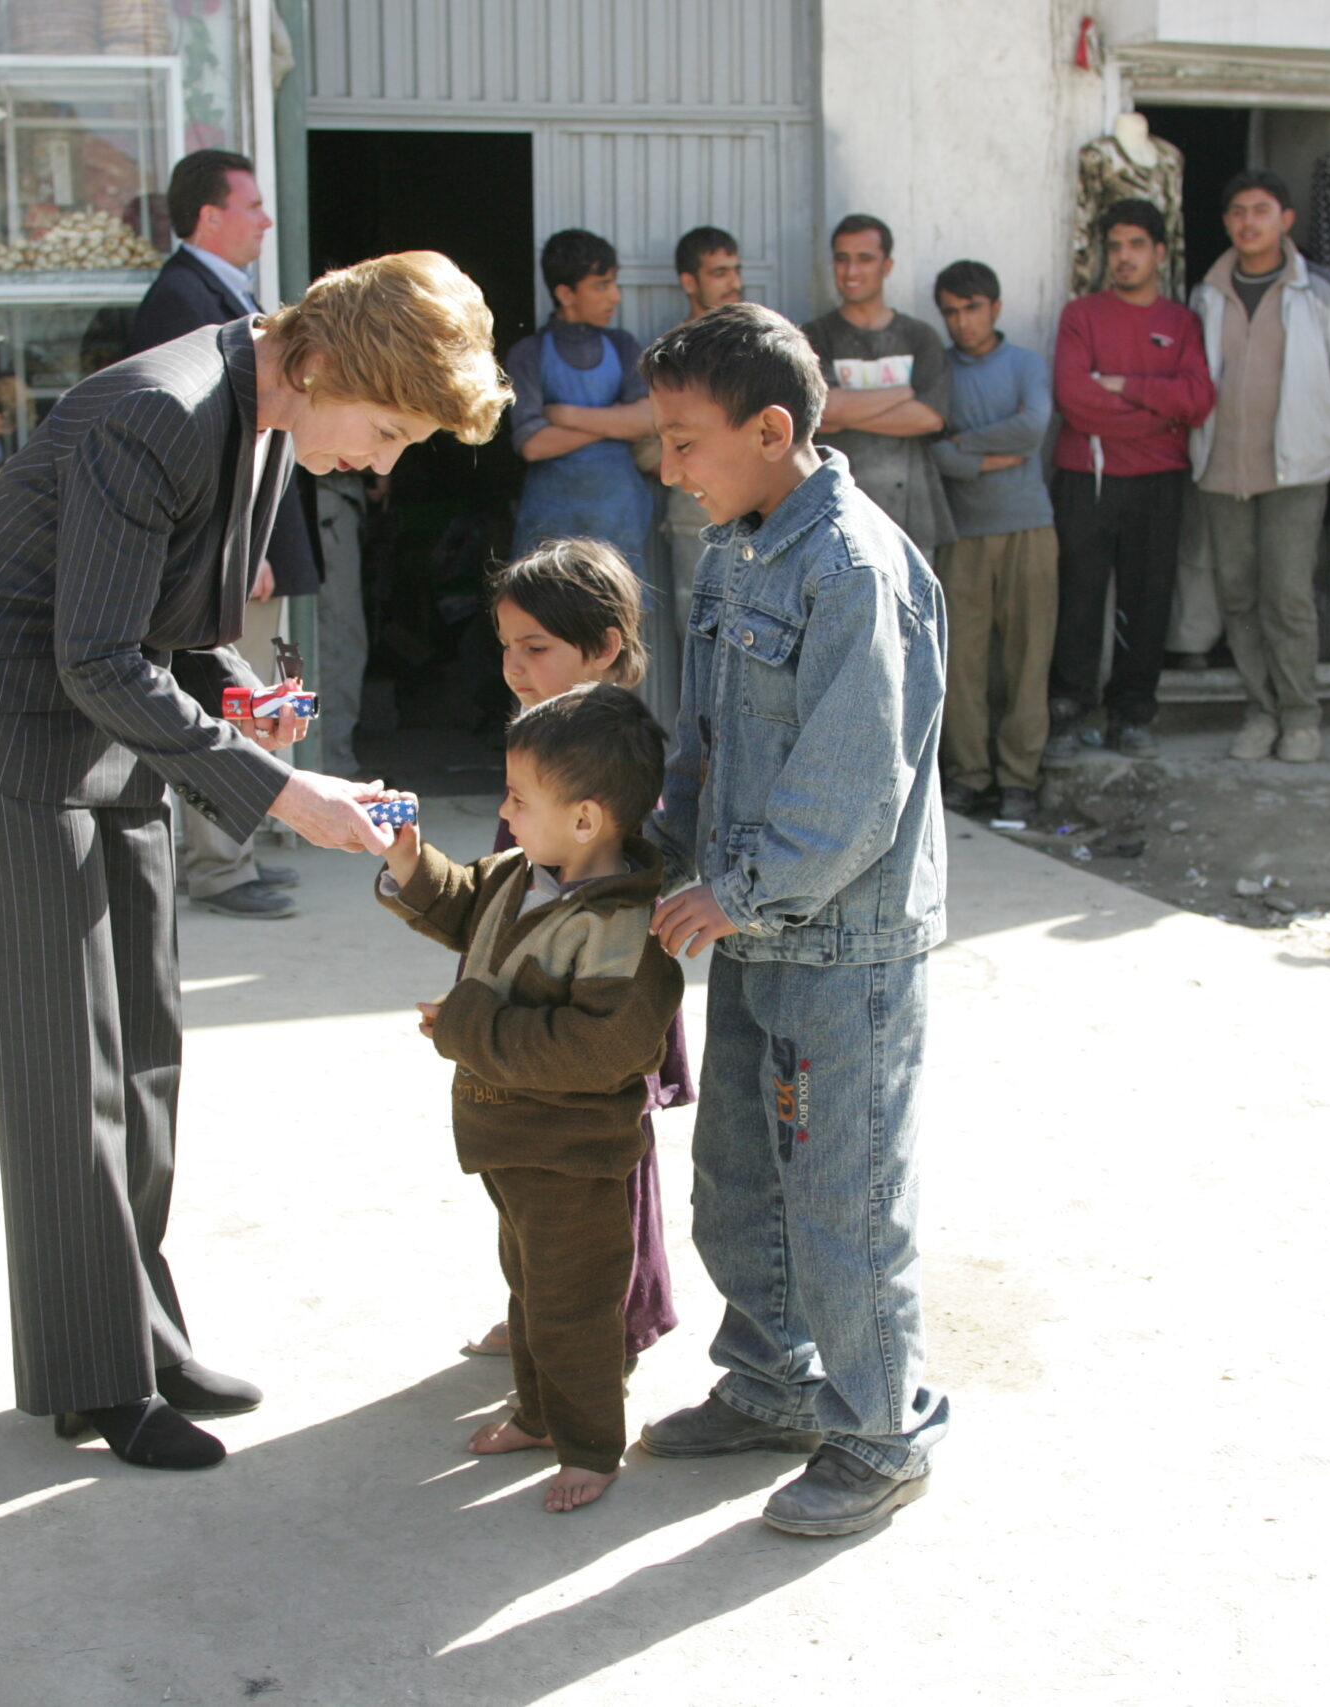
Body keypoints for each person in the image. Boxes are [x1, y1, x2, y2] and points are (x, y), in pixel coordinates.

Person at [0, 251, 509, 1470]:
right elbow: (98, 654)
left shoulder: (268, 409)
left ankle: (143, 1337)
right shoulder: (157, 413)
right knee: (65, 1073)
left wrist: (237, 695)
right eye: (385, 433)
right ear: (323, 362)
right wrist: (279, 793)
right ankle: (95, 1381)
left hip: (103, 731)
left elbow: (161, 624)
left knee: (144, 1052)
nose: (380, 464)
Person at [639, 303, 951, 1539]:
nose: (669, 465)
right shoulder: (735, 551)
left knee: (842, 1197)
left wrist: (738, 891)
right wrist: (654, 845)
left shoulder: (852, 569)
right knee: (738, 1179)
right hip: (755, 931)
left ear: (770, 431)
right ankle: (771, 1385)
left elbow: (856, 784)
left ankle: (880, 1432)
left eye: (685, 441)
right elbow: (703, 740)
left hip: (842, 946)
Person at [376, 683, 685, 1514]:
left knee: (572, 1308)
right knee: (527, 1288)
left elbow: (594, 1051)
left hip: (572, 1159)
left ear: (585, 819)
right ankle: (541, 1415)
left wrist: (466, 1023)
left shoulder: (626, 936)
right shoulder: (522, 874)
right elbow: (463, 902)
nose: (503, 811)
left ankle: (591, 1447)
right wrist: (409, 861)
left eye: (518, 797)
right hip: (510, 1144)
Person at [460, 542, 689, 1370]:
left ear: (604, 648)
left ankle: (614, 1321)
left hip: (595, 1006)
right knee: (531, 1164)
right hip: (535, 1007)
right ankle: (539, 1310)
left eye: (537, 647)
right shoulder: (543, 746)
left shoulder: (616, 765)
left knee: (605, 1168)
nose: (515, 667)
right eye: (506, 646)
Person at [132, 147, 317, 919]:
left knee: (249, 701)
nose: (266, 221)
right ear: (210, 217)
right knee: (226, 702)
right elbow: (207, 444)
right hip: (232, 551)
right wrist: (244, 547)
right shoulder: (183, 299)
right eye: (253, 206)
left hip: (244, 545)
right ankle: (219, 868)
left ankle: (230, 853)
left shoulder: (218, 290)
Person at [1187, 170, 1330, 763]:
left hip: (1295, 473)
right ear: (1226, 222)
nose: (1249, 223)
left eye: (1261, 210)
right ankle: (1260, 712)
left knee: (1288, 598)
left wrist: (1319, 443)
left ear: (1286, 219)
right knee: (1238, 599)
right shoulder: (1207, 293)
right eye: (1238, 212)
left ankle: (1300, 717)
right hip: (1222, 471)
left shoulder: (1320, 290)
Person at [1048, 201, 1215, 761]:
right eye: (1115, 246)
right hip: (1086, 477)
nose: (1124, 257)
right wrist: (1160, 415)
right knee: (1078, 598)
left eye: (1136, 245)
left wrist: (1120, 384)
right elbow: (1076, 400)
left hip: (1159, 480)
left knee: (1147, 601)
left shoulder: (1182, 323)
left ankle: (1133, 715)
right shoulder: (1081, 315)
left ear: (1160, 253)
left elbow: (1198, 401)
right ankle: (1067, 714)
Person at [926, 258, 1057, 819]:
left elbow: (1034, 428)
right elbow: (935, 452)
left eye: (972, 309)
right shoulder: (939, 371)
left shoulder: (1026, 363)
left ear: (996, 308)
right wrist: (986, 457)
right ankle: (968, 774)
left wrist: (965, 443)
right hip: (963, 532)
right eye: (951, 312)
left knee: (1029, 658)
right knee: (962, 662)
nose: (963, 322)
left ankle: (1020, 778)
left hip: (1030, 526)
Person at [802, 215, 956, 557]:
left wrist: (846, 412)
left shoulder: (919, 337)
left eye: (865, 259)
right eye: (842, 259)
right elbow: (823, 411)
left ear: (887, 266)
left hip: (913, 516)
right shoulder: (814, 337)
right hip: (835, 515)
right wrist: (903, 392)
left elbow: (930, 418)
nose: (851, 271)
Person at [508, 229, 657, 577]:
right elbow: (533, 445)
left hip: (619, 518)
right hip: (550, 524)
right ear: (565, 294)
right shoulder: (528, 354)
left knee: (620, 605)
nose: (616, 296)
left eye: (614, 283)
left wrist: (565, 414)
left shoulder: (623, 346)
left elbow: (648, 421)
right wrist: (615, 423)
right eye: (602, 285)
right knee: (547, 603)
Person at [656, 224, 748, 710]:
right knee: (700, 639)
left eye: (735, 270)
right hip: (694, 514)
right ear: (689, 282)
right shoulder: (671, 355)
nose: (734, 282)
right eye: (719, 272)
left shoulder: (755, 346)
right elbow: (646, 443)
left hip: (757, 515)